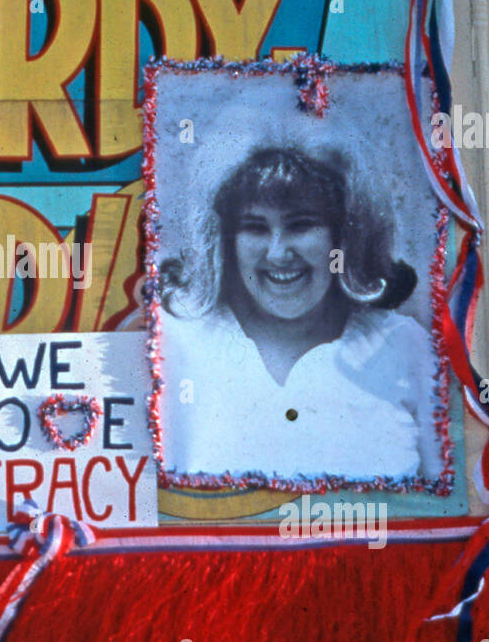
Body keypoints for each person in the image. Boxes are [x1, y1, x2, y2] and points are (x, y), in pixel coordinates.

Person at [158, 145, 445, 485]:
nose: (278, 252)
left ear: (346, 237)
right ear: (225, 241)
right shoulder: (175, 344)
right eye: (255, 228)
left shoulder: (405, 348)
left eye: (300, 226)